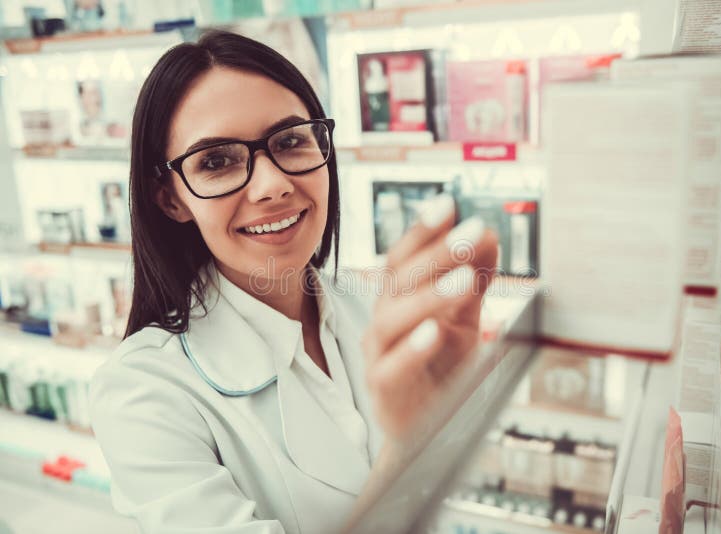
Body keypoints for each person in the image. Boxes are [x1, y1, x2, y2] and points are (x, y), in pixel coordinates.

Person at [88, 30, 498, 534]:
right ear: (171, 199)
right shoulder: (141, 393)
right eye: (216, 161)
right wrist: (407, 445)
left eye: (290, 141)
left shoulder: (377, 304)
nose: (273, 184)